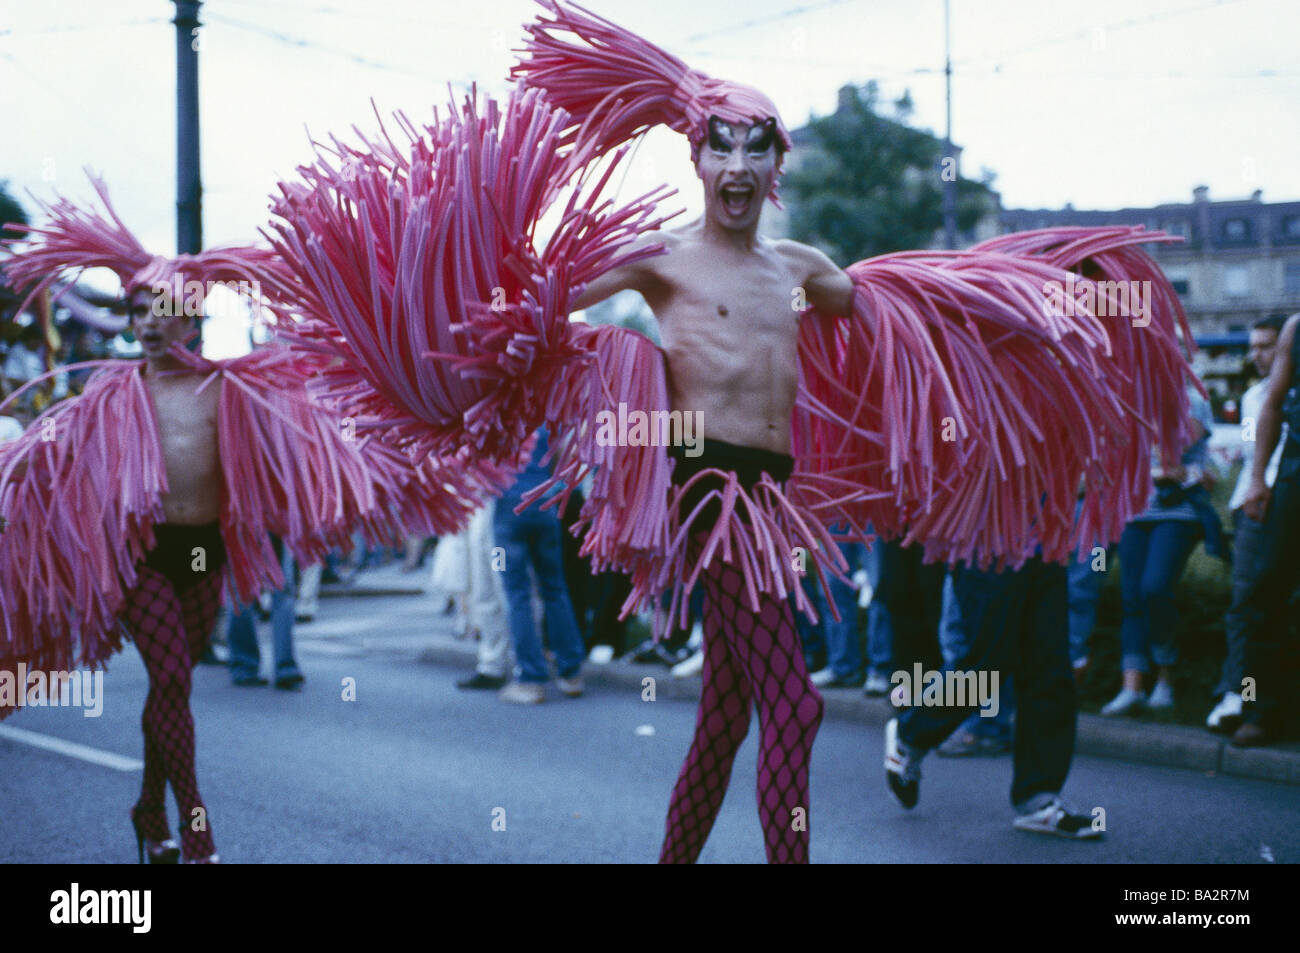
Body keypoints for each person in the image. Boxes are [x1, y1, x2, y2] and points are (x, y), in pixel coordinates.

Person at [1102, 387, 1223, 716]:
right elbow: (1118, 452)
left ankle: (1165, 678)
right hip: (1134, 511)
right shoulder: (1127, 395)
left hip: (1177, 513)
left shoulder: (1190, 398)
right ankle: (1132, 687)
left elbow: (1169, 450)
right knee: (1132, 596)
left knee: (1155, 588)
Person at [1208, 315, 1289, 733]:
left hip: (1282, 501)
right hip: (1255, 507)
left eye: (1267, 346)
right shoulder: (1254, 397)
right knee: (1246, 605)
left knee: (1264, 607)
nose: (1258, 355)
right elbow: (1246, 451)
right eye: (1254, 347)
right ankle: (1239, 693)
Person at [1234, 312, 1300, 746]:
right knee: (1262, 597)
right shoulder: (1296, 327)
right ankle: (1255, 708)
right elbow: (1273, 404)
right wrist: (1257, 478)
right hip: (1294, 475)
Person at [493, 429, 587, 703]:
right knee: (554, 587)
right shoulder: (546, 414)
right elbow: (566, 459)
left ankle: (531, 679)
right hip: (544, 502)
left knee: (516, 592)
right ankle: (571, 673)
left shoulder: (497, 413)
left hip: (508, 505)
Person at [227, 534, 306, 690]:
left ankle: (246, 664)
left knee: (245, 590)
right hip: (260, 519)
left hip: (252, 520)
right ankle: (283, 666)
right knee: (276, 590)